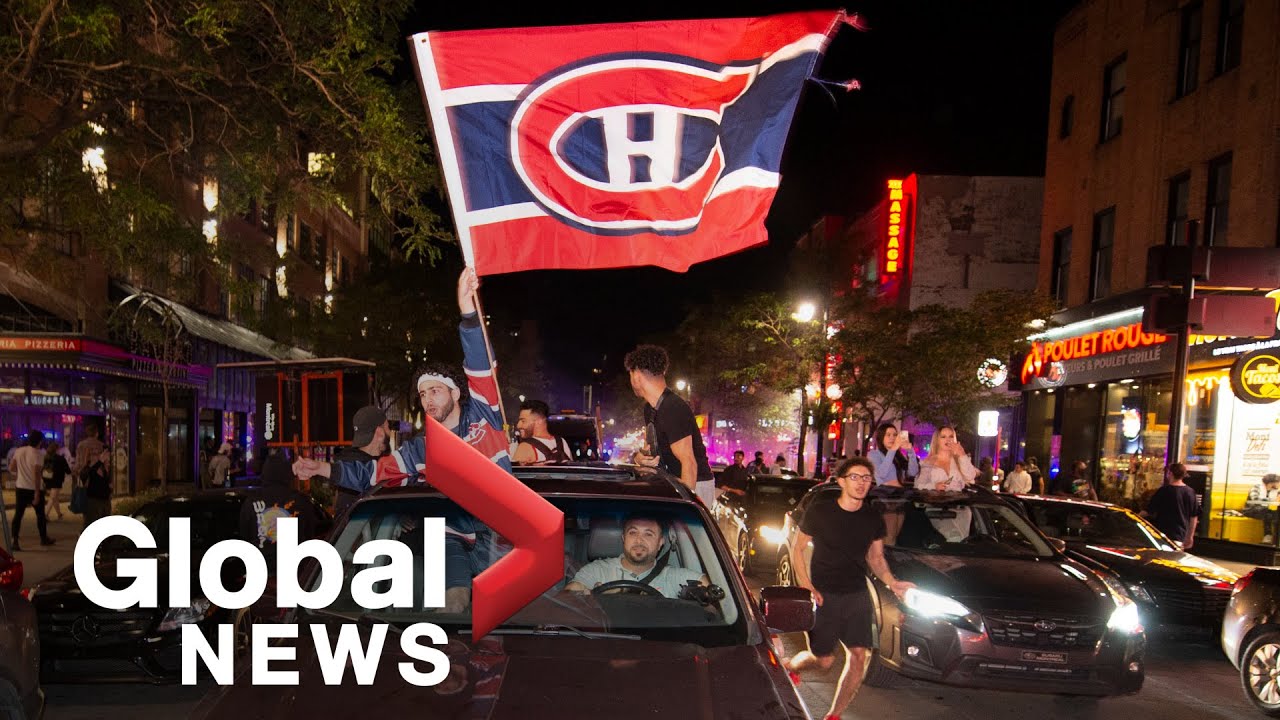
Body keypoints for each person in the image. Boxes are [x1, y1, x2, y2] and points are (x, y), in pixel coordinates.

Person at [292, 267, 512, 490]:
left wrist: (468, 312)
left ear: (455, 393)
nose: (428, 401)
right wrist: (321, 468)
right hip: (447, 525)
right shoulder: (421, 449)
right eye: (423, 394)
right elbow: (372, 475)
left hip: (498, 524)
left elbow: (481, 363)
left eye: (435, 391)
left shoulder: (483, 414)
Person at [782, 458, 914, 720]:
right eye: (855, 477)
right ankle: (791, 665)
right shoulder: (821, 510)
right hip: (824, 595)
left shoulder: (872, 517)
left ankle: (834, 715)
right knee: (824, 660)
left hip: (856, 593)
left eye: (866, 478)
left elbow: (876, 559)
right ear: (841, 481)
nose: (861, 483)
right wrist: (807, 587)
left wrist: (892, 582)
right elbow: (797, 550)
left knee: (859, 656)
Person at [625, 344, 714, 506]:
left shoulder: (673, 407)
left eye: (630, 374)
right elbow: (649, 450)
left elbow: (689, 463)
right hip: (674, 481)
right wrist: (640, 458)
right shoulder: (650, 409)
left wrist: (683, 507)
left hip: (693, 484)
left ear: (637, 375)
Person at [565, 515, 707, 598]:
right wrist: (596, 596)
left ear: (660, 543)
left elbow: (712, 592)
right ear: (623, 538)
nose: (639, 540)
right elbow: (565, 598)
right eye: (633, 533)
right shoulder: (598, 570)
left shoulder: (673, 577)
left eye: (648, 534)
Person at [239, 453, 323, 567]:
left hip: (260, 568)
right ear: (287, 474)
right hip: (294, 568)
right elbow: (309, 534)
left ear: (265, 474)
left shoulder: (251, 502)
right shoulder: (301, 501)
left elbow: (244, 535)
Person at [915, 426, 979, 542]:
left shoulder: (960, 459)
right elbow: (919, 485)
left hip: (960, 509)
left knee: (960, 542)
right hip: (937, 509)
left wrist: (962, 454)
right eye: (943, 437)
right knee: (950, 538)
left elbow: (970, 476)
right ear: (937, 440)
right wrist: (934, 486)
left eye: (951, 437)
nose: (947, 440)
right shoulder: (929, 462)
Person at [331, 405, 392, 516]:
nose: (390, 432)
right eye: (388, 427)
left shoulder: (347, 466)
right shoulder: (372, 473)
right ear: (379, 433)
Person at [10, 431, 54, 550]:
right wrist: (37, 493)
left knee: (18, 514)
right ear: (40, 441)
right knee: (40, 515)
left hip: (20, 487)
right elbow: (37, 474)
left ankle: (15, 540)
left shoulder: (19, 451)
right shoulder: (38, 454)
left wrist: (21, 474)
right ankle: (43, 538)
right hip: (33, 488)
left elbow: (12, 467)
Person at [1144, 463, 1201, 549]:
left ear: (1170, 474)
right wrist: (1190, 536)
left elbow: (1149, 511)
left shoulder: (1164, 491)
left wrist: (1134, 518)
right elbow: (1194, 517)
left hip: (1162, 535)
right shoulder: (1190, 492)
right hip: (1180, 535)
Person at [511, 399, 573, 465]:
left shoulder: (525, 447)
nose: (518, 425)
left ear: (539, 421)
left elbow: (512, 474)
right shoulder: (562, 442)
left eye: (523, 421)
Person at [81, 446, 113, 529]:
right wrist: (100, 461)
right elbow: (90, 474)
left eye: (99, 453)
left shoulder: (103, 467)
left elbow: (107, 482)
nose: (98, 455)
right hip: (93, 502)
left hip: (105, 501)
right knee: (91, 525)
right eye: (94, 454)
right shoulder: (87, 469)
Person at [1246, 474, 1280, 544]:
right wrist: (1271, 500)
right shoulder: (1257, 487)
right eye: (1277, 482)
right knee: (1267, 512)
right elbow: (1255, 498)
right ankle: (1268, 536)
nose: (1278, 484)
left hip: (1266, 510)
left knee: (1275, 514)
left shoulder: (1276, 491)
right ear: (1270, 483)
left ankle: (1274, 538)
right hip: (1250, 510)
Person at [42, 441, 71, 520]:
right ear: (57, 449)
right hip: (57, 480)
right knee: (53, 497)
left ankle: (59, 514)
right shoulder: (60, 458)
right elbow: (68, 470)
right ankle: (45, 515)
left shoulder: (46, 458)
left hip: (47, 479)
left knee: (55, 497)